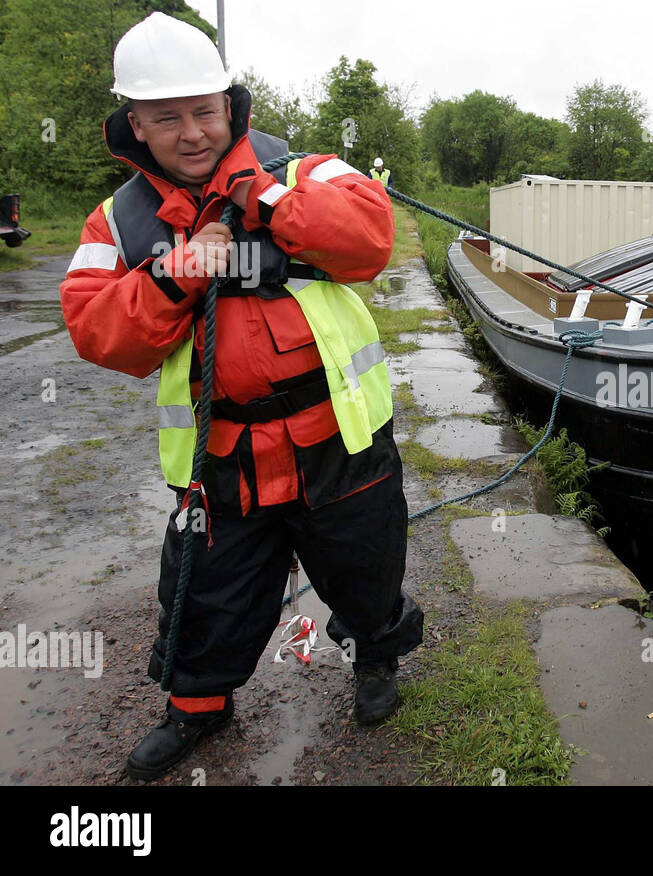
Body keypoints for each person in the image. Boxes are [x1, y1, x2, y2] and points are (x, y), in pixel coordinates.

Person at [59, 11, 423, 781]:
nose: (191, 133)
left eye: (203, 112)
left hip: (336, 438)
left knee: (365, 569)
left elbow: (370, 239)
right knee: (208, 596)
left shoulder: (301, 169)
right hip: (220, 458)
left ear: (230, 106)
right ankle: (197, 708)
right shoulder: (118, 220)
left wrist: (270, 203)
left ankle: (373, 661)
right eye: (167, 119)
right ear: (136, 124)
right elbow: (96, 331)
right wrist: (175, 274)